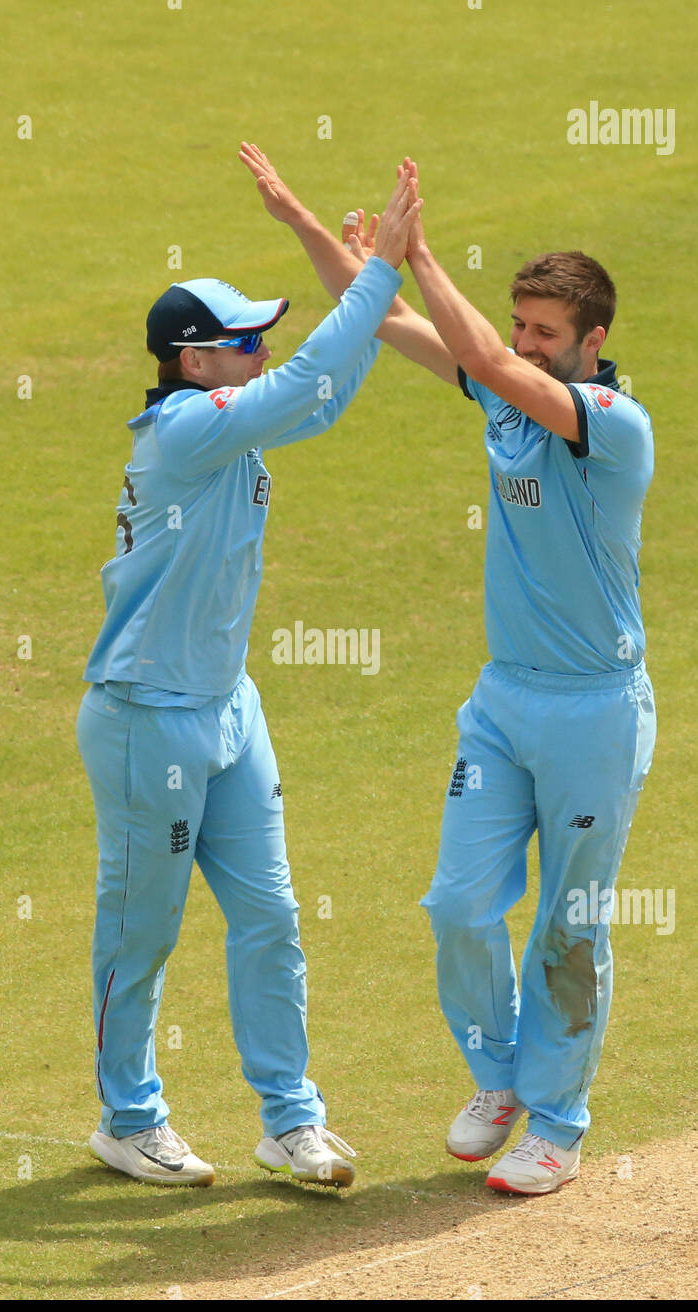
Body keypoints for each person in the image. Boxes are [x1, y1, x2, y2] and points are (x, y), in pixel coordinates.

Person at [243, 147, 656, 1195]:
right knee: (458, 904)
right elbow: (378, 318)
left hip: (595, 710)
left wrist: (420, 252)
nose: (523, 345)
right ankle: (501, 1077)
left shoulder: (613, 425)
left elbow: (482, 356)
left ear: (592, 342)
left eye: (545, 332)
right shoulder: (511, 398)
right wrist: (315, 229)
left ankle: (557, 1119)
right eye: (519, 327)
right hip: (504, 698)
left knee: (568, 921)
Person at [76, 166, 422, 1189]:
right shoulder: (186, 431)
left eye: (262, 337)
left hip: (229, 708)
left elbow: (318, 397)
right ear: (191, 360)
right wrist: (380, 272)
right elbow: (304, 383)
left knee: (271, 914)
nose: (261, 350)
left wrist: (372, 285)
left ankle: (288, 1119)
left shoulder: (228, 421)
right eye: (243, 341)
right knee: (143, 932)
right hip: (147, 715)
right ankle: (128, 1117)